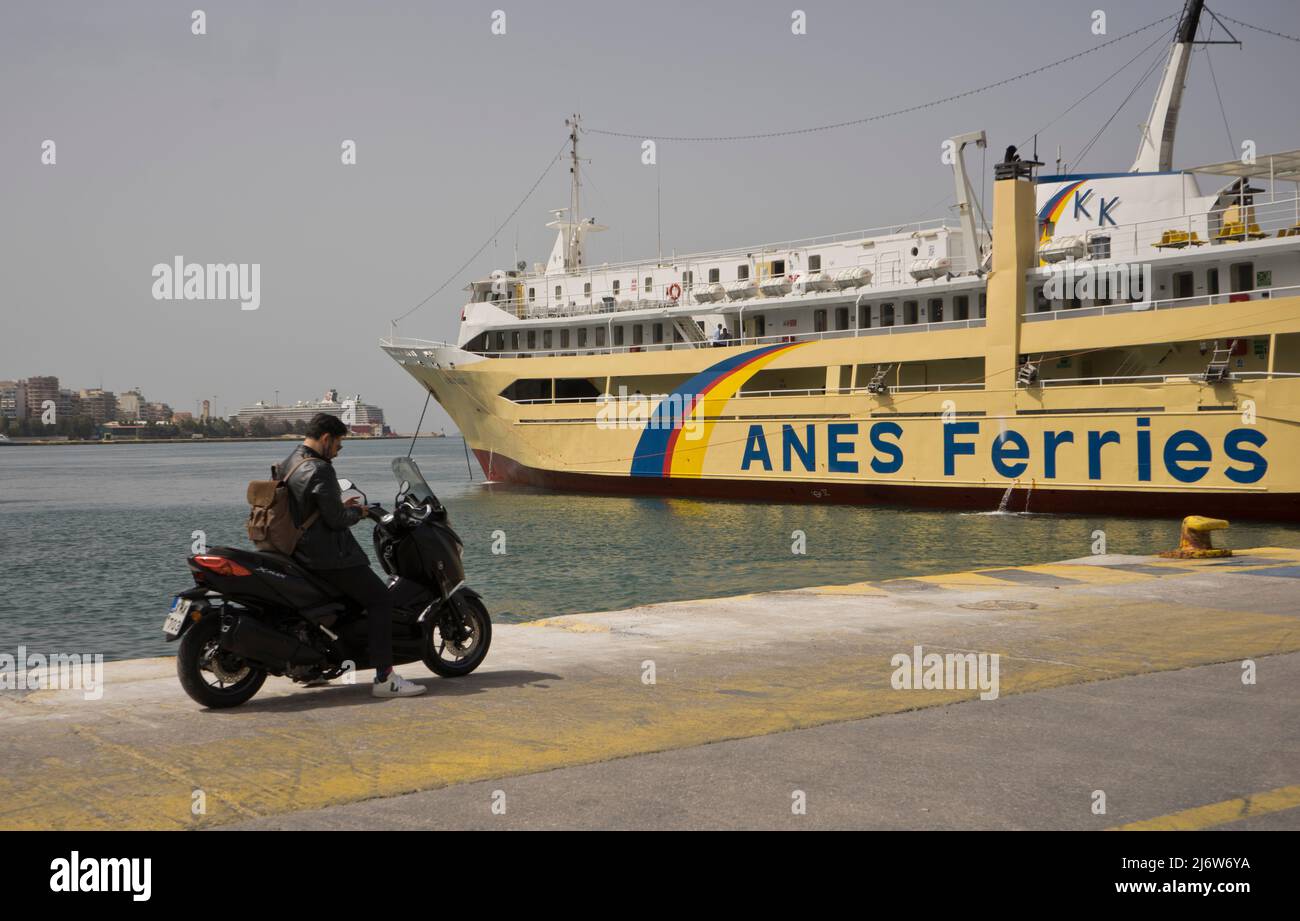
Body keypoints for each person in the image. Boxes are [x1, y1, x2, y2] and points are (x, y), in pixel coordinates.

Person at [277, 413, 425, 698]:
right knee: (380, 599)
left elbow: (307, 508)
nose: (339, 451)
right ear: (326, 439)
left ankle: (312, 667)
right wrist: (359, 511)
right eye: (339, 444)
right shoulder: (320, 469)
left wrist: (337, 505)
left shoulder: (290, 462)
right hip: (327, 556)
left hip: (298, 552)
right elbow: (335, 520)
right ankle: (385, 678)